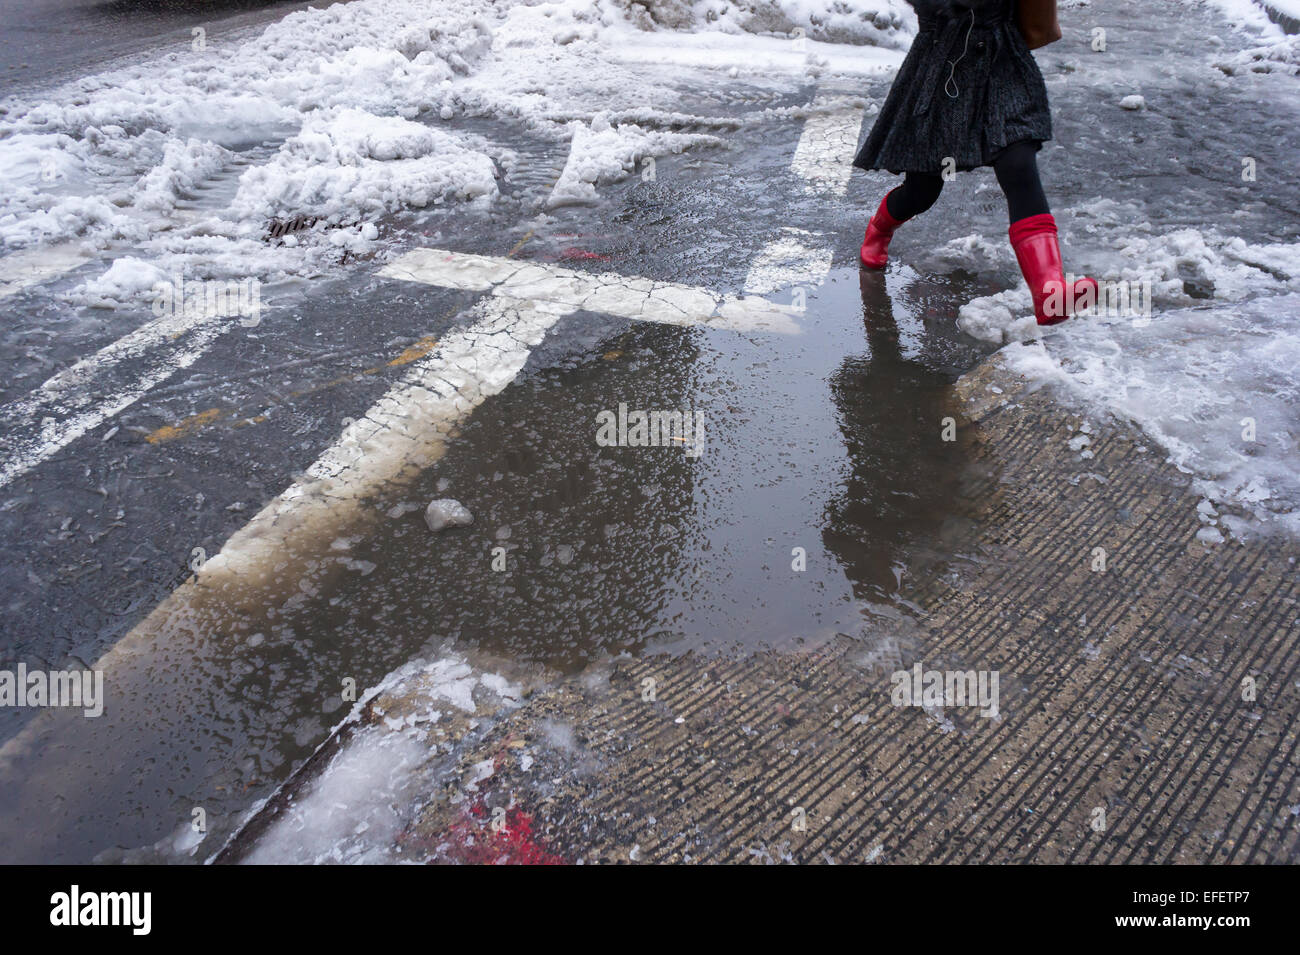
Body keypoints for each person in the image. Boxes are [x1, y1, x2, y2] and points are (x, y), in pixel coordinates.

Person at [853, 0, 1096, 326]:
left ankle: (1049, 294)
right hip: (942, 72)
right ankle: (880, 229)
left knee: (1018, 163)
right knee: (922, 191)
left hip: (1002, 66)